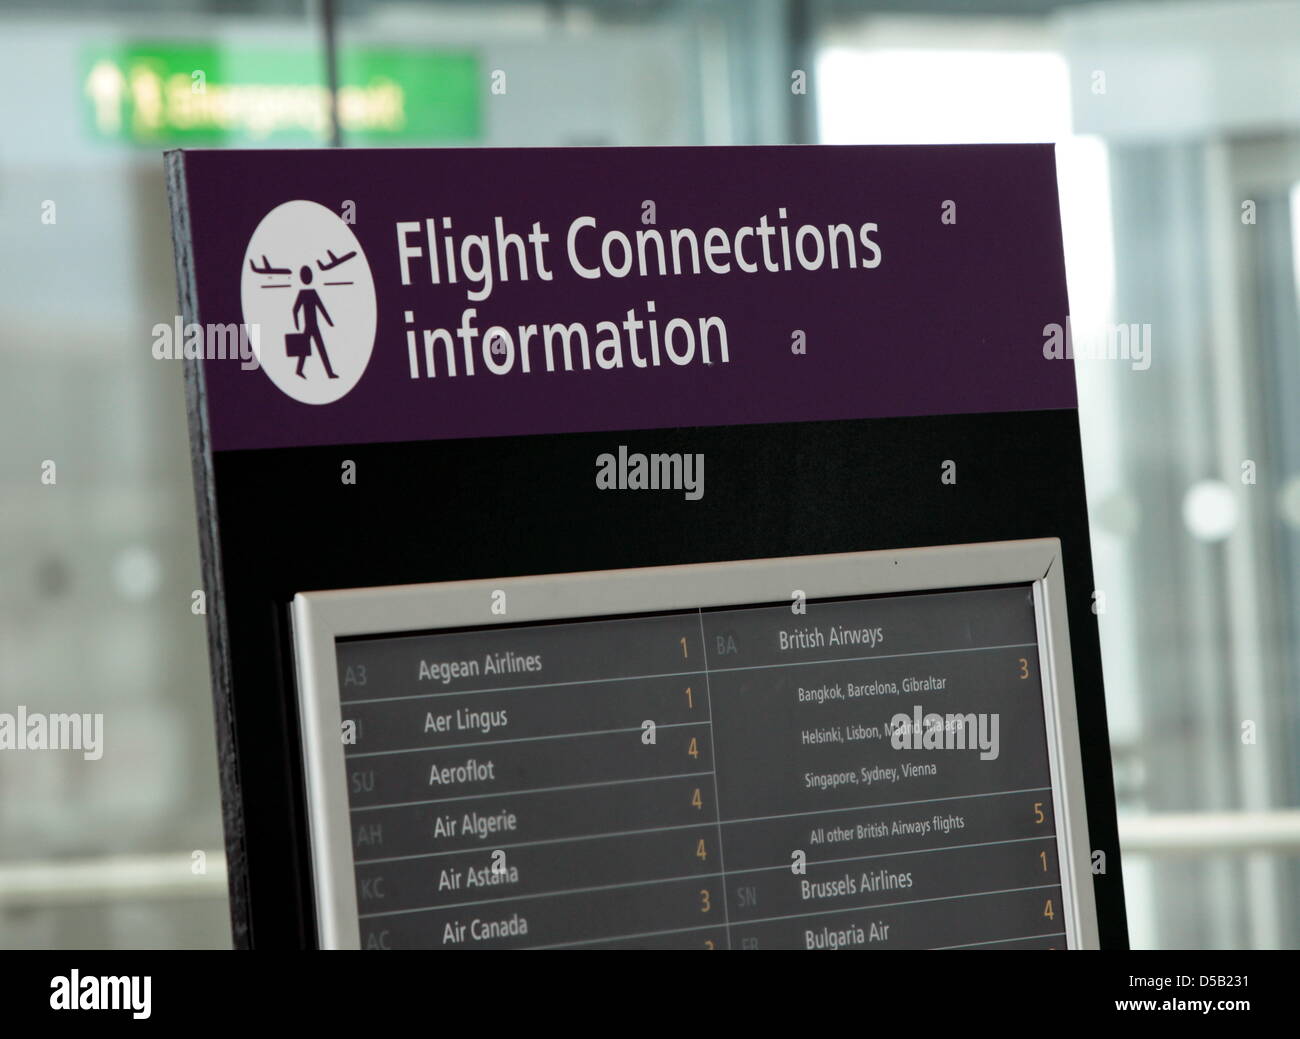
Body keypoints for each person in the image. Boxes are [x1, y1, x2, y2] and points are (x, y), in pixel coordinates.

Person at [291, 265, 338, 379]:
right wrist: (296, 325)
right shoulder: (304, 293)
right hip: (309, 326)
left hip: (312, 326)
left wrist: (329, 321)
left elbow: (321, 308)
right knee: (311, 349)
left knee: (310, 349)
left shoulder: (311, 293)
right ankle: (328, 373)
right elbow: (295, 309)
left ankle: (301, 370)